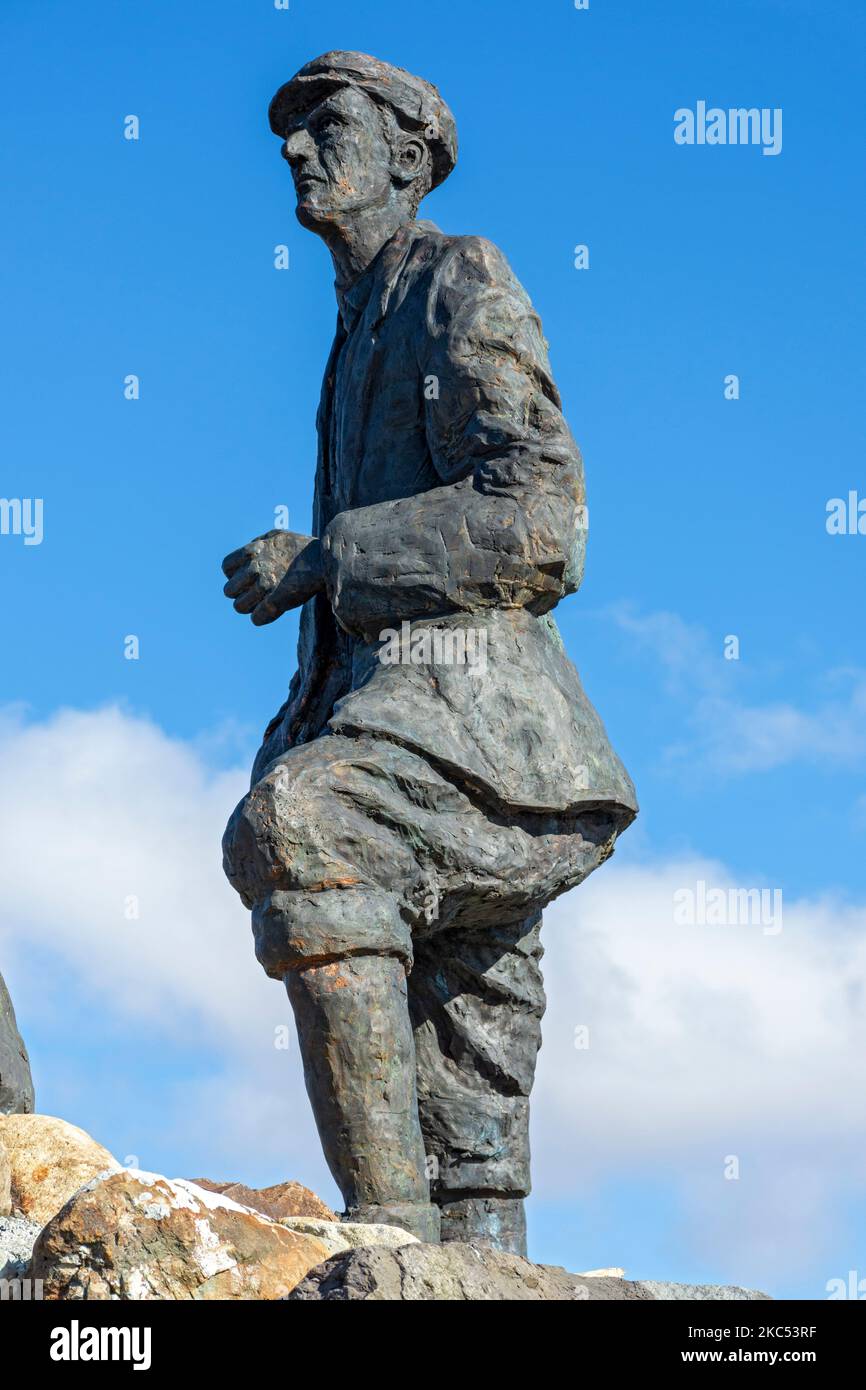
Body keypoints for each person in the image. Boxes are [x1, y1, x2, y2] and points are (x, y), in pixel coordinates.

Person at [221, 51, 637, 1254]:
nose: (296, 151)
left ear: (408, 155)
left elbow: (538, 519)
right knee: (466, 1048)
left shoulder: (457, 277)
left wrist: (326, 556)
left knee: (303, 824)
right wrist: (307, 702)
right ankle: (460, 1252)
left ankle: (383, 1240)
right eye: (285, 135)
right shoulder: (355, 332)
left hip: (495, 738)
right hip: (424, 723)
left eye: (326, 125)